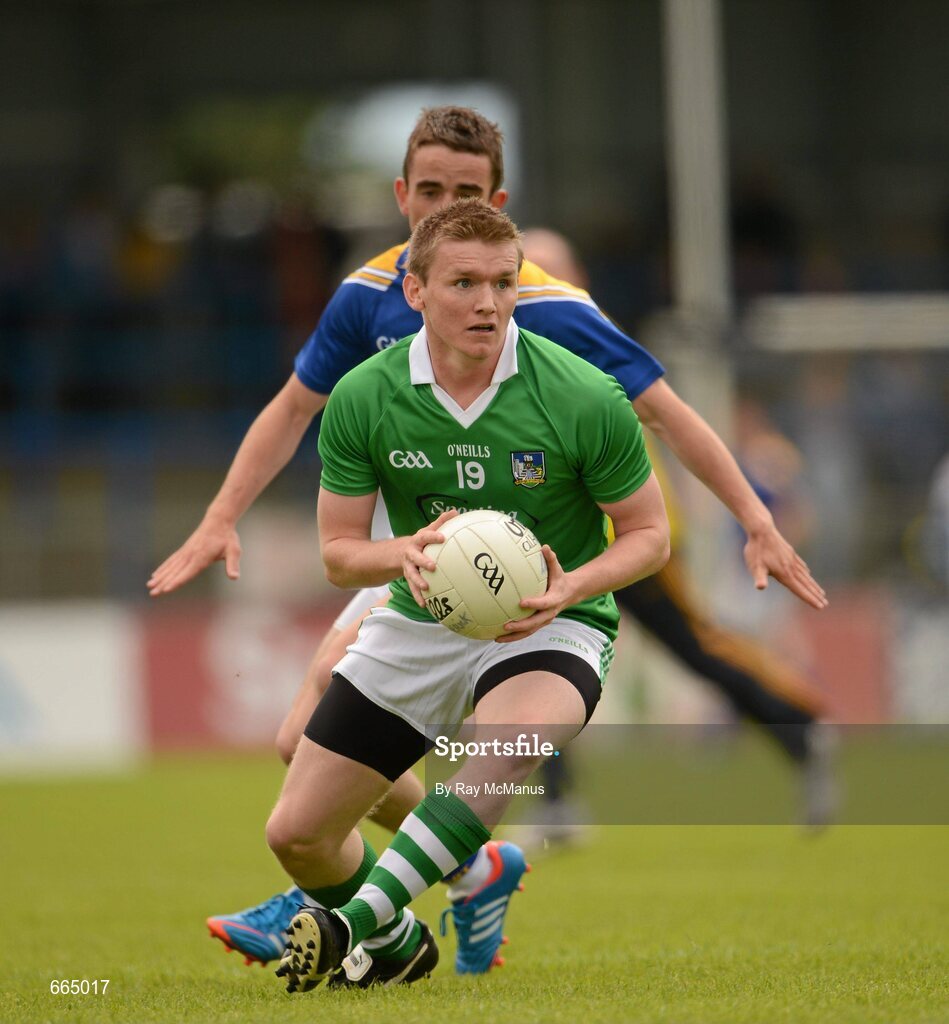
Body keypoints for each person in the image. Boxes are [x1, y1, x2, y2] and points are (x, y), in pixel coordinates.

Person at [148, 107, 826, 974]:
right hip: (428, 558)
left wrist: (754, 518)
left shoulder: (548, 311)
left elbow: (664, 412)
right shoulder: (366, 303)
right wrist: (220, 516)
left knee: (526, 730)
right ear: (402, 196)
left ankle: (359, 914)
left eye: (465, 193)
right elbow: (291, 417)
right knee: (298, 750)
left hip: (548, 563)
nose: (445, 209)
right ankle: (467, 869)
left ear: (497, 203)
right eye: (430, 191)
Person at [269, 197, 670, 991]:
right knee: (298, 836)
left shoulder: (583, 394)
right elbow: (339, 555)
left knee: (504, 749)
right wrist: (401, 554)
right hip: (420, 616)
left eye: (502, 283)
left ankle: (353, 922)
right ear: (414, 291)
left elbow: (649, 534)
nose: (488, 302)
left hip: (551, 623)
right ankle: (397, 945)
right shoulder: (363, 396)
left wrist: (573, 584)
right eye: (463, 284)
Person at [516, 229, 834, 845]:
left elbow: (663, 421)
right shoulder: (500, 348)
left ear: (577, 280)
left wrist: (753, 519)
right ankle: (556, 805)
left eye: (548, 271)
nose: (533, 285)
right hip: (554, 543)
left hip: (629, 539)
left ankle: (801, 726)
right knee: (530, 657)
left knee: (694, 647)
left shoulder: (587, 337)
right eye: (526, 272)